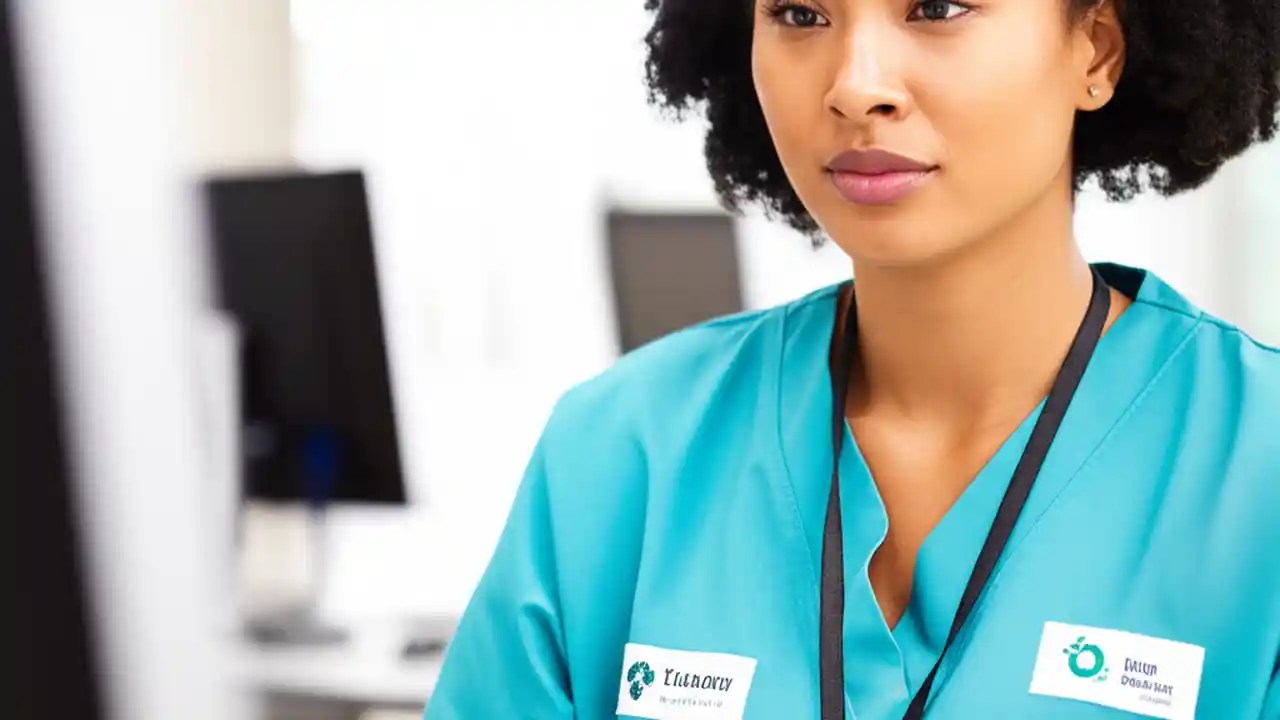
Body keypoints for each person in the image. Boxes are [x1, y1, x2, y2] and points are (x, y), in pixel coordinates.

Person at [426, 0, 1280, 717]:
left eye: (937, 7)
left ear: (1095, 48)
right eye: (800, 13)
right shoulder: (621, 452)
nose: (854, 84)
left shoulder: (1259, 467)